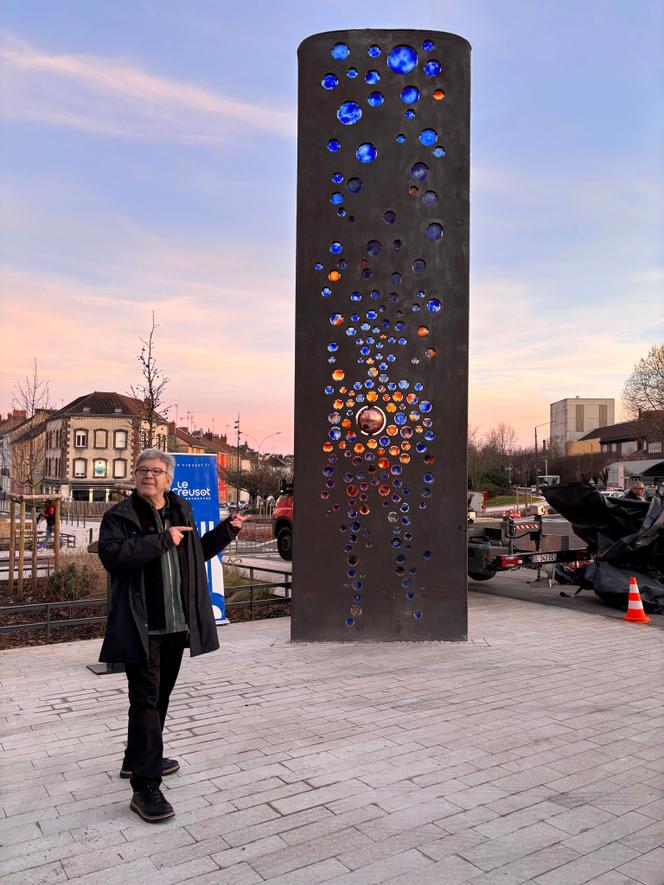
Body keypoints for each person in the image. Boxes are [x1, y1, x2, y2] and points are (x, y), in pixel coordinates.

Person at [98, 448, 249, 823]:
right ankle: (145, 787)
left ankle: (139, 760)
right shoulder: (119, 516)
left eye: (155, 471)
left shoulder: (181, 509)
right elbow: (113, 557)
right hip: (141, 626)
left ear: (168, 478)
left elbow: (195, 553)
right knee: (145, 702)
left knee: (159, 697)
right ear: (135, 477)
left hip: (176, 624)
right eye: (141, 470)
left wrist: (226, 531)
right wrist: (162, 540)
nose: (147, 475)